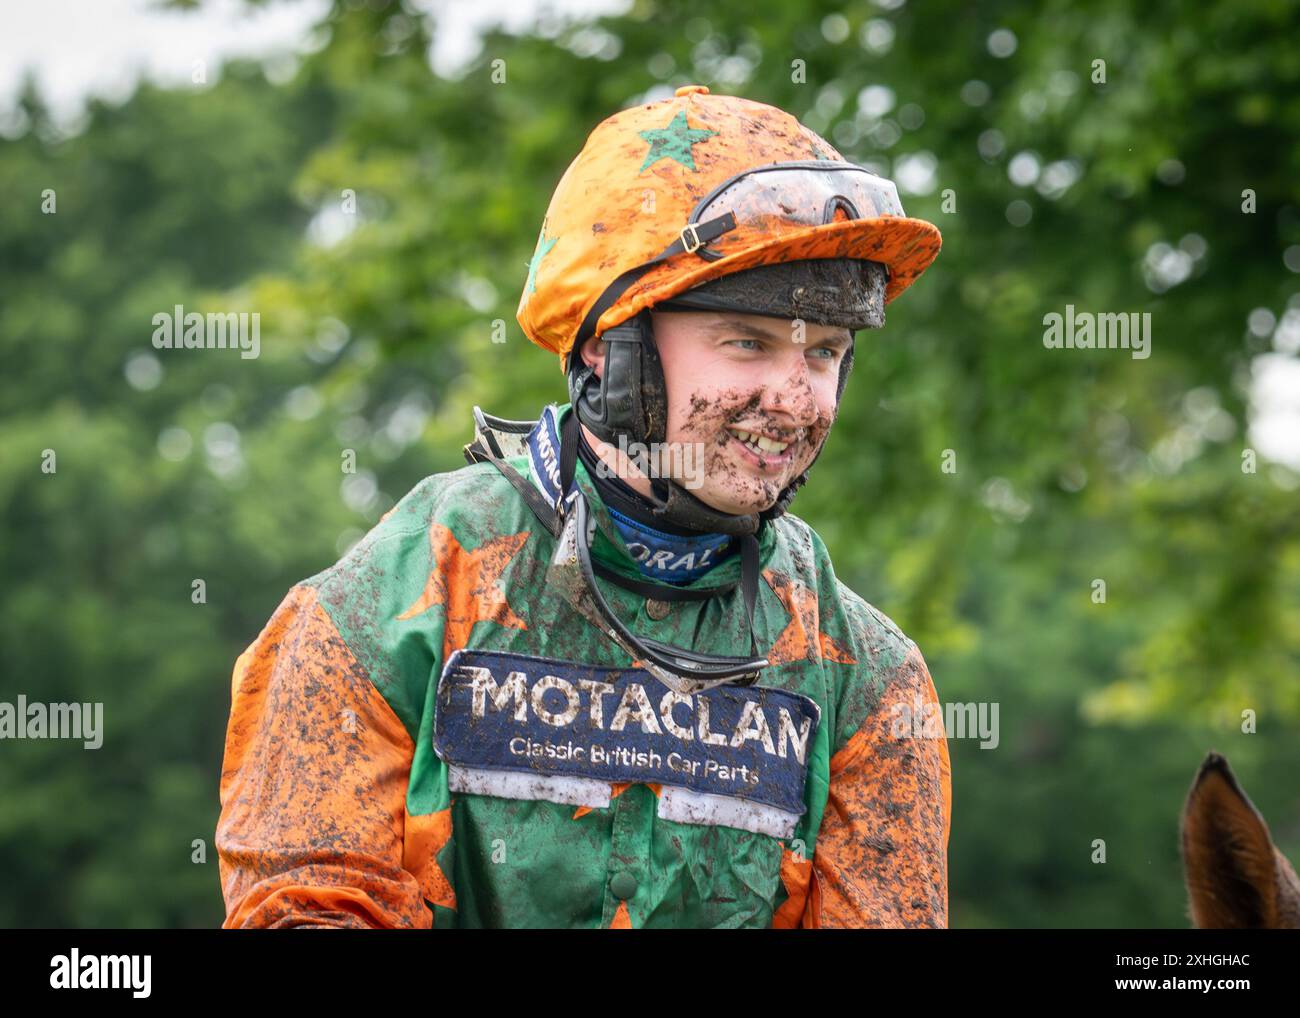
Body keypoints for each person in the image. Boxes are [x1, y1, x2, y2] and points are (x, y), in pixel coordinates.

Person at [215, 84, 950, 929]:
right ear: (611, 348)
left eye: (825, 354)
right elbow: (302, 910)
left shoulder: (871, 682)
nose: (794, 398)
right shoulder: (390, 602)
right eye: (747, 342)